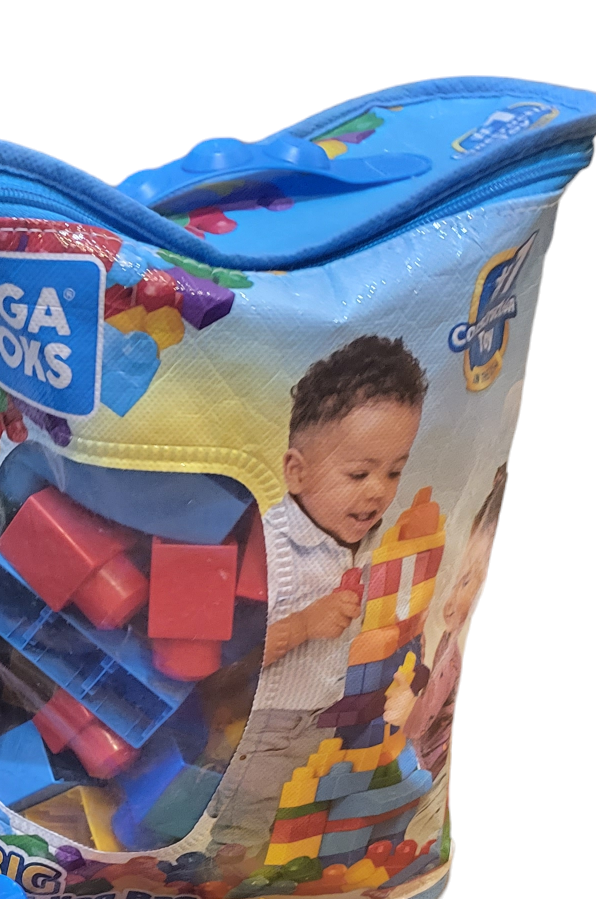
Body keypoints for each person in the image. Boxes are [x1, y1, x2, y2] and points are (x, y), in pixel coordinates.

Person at [212, 335, 428, 854]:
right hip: (267, 726)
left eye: (394, 471)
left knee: (303, 822)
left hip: (333, 716)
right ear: (297, 471)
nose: (378, 490)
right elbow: (228, 655)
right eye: (358, 473)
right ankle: (217, 884)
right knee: (247, 827)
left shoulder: (372, 541)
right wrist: (306, 624)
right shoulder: (269, 546)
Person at [407, 465, 505, 774]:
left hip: (428, 768)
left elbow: (417, 723)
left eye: (465, 582)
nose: (449, 603)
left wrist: (402, 706)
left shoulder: (457, 652)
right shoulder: (452, 640)